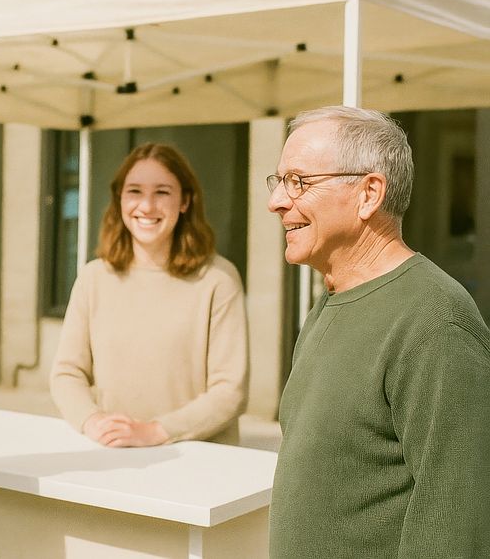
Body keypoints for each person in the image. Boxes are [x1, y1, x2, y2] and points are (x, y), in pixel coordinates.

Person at [267, 106, 490, 558]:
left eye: (299, 182)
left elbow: (458, 524)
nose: (276, 201)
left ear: (369, 193)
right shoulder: (331, 298)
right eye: (279, 182)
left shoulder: (435, 321)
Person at [50, 143, 248, 447]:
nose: (147, 206)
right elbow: (67, 373)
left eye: (162, 192)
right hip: (116, 456)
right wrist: (92, 420)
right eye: (134, 191)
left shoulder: (218, 280)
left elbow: (230, 391)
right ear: (119, 199)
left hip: (200, 462)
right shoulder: (94, 278)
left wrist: (155, 431)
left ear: (185, 201)